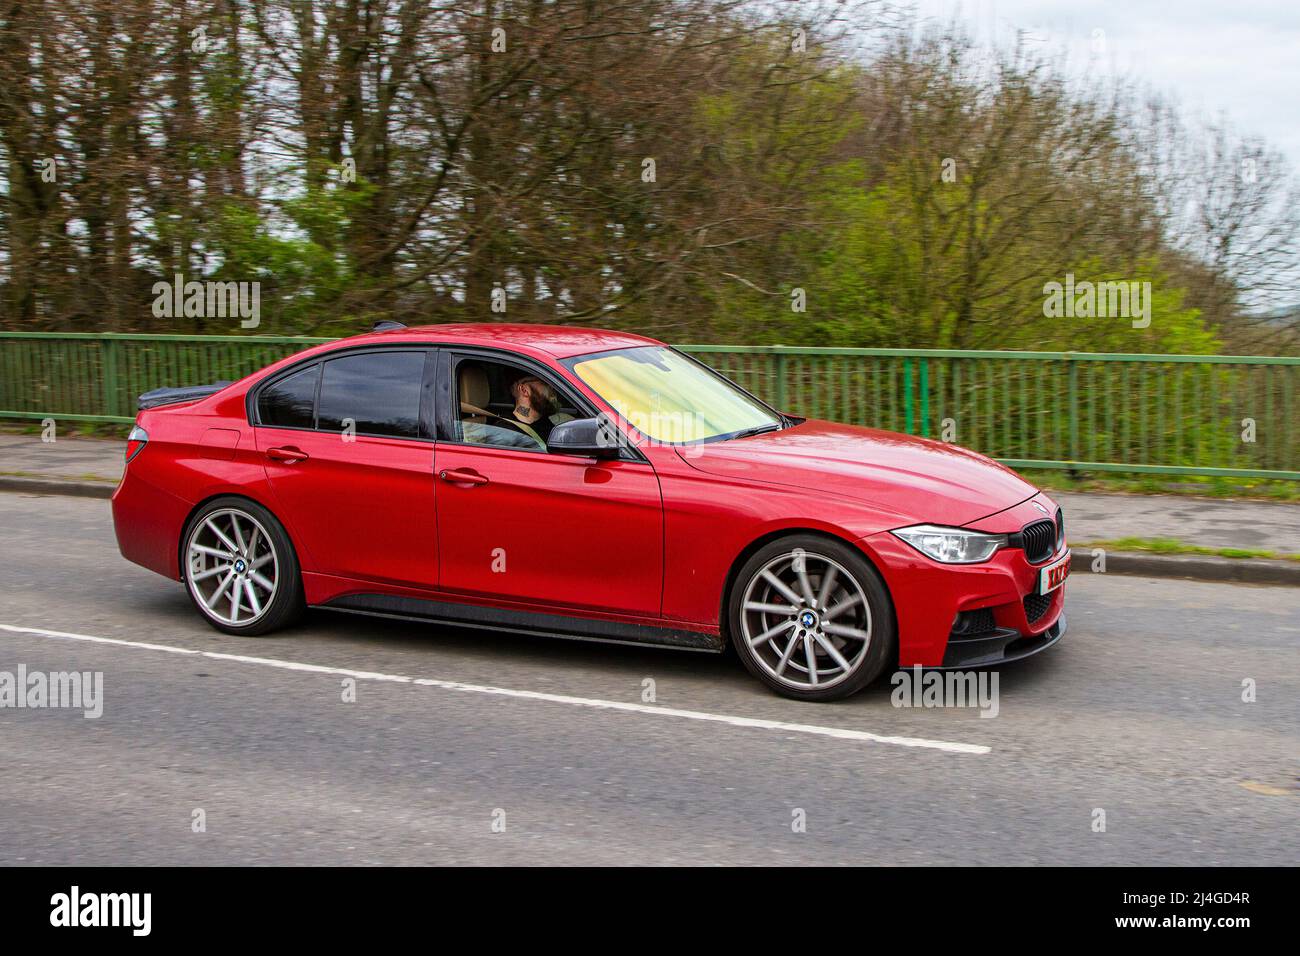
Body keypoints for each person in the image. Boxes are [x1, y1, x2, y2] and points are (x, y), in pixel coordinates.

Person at [508, 375, 574, 445]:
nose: (552, 388)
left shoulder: (552, 423)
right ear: (524, 390)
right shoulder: (506, 431)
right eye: (545, 383)